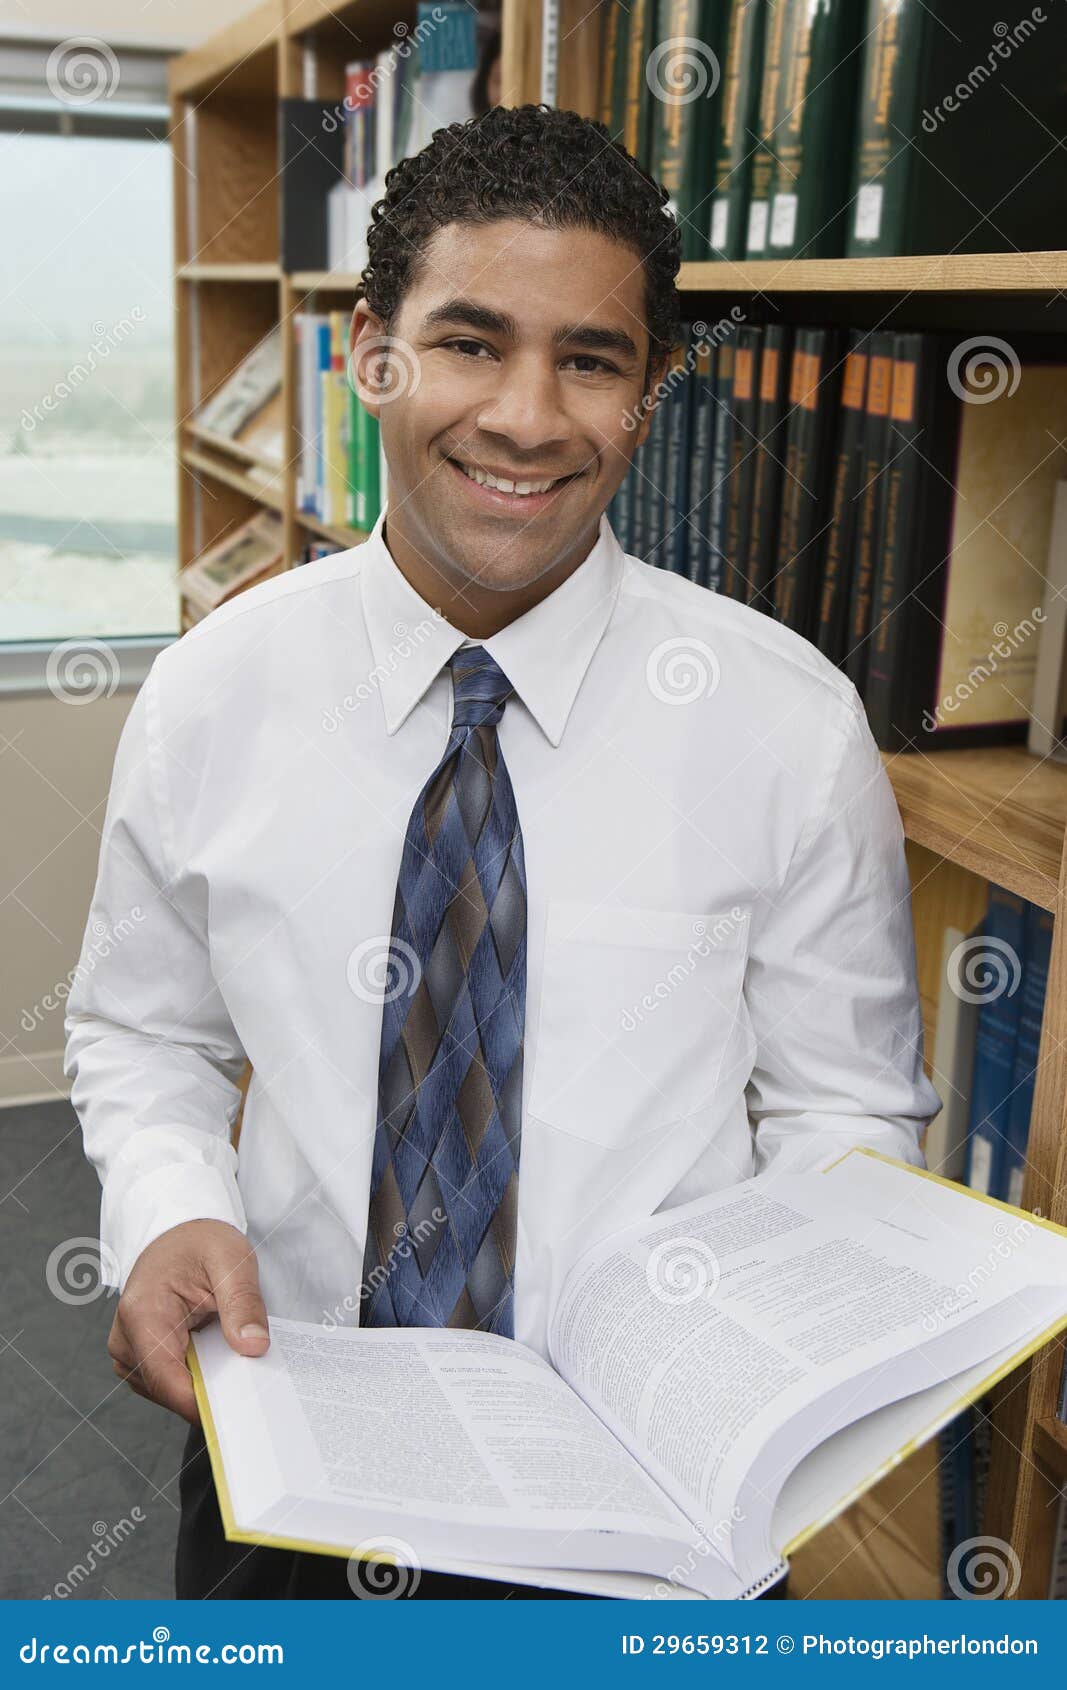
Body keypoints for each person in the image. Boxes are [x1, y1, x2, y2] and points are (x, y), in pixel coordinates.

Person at [64, 103, 942, 1601]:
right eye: (472, 342)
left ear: (649, 391)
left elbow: (846, 1109)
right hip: (296, 1457)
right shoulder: (215, 691)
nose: (529, 416)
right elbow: (141, 1029)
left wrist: (773, 1350)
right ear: (371, 352)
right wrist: (170, 1209)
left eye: (590, 359)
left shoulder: (787, 725)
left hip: (663, 1502)